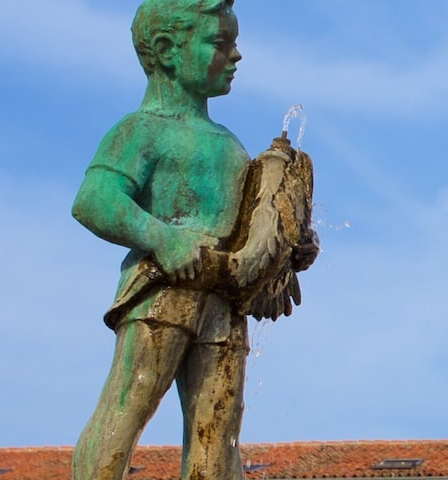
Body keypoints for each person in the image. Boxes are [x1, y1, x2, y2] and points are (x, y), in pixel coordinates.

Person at [67, 1, 303, 478]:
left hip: (223, 299)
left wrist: (291, 249)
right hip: (162, 292)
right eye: (220, 43)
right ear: (167, 51)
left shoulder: (232, 145)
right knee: (128, 406)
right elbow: (94, 200)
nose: (236, 55)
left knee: (219, 431)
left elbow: (248, 232)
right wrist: (162, 237)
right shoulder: (140, 131)